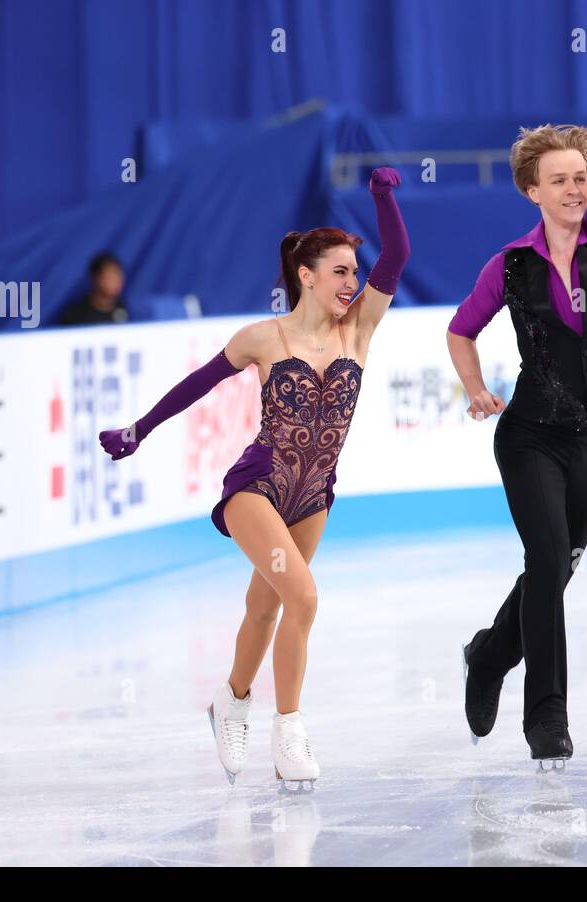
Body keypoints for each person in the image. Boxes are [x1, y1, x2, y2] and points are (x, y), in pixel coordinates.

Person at [98, 169, 409, 790]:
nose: (353, 282)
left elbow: (397, 255)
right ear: (307, 275)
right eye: (341, 271)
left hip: (314, 494)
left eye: (356, 271)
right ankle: (287, 731)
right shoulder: (264, 338)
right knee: (304, 597)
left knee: (266, 607)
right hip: (259, 486)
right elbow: (197, 385)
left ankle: (231, 701)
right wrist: (140, 428)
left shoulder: (361, 331)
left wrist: (382, 198)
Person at [447, 67, 587, 770]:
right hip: (530, 436)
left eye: (581, 177)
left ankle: (487, 655)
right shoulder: (510, 265)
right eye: (561, 179)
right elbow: (460, 330)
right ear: (532, 190)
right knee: (544, 560)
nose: (576, 188)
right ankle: (547, 718)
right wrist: (478, 388)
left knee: (560, 568)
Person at [57, 252, 129, 325]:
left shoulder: (123, 309)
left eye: (118, 275)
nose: (117, 281)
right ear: (95, 278)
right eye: (110, 276)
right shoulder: (75, 315)